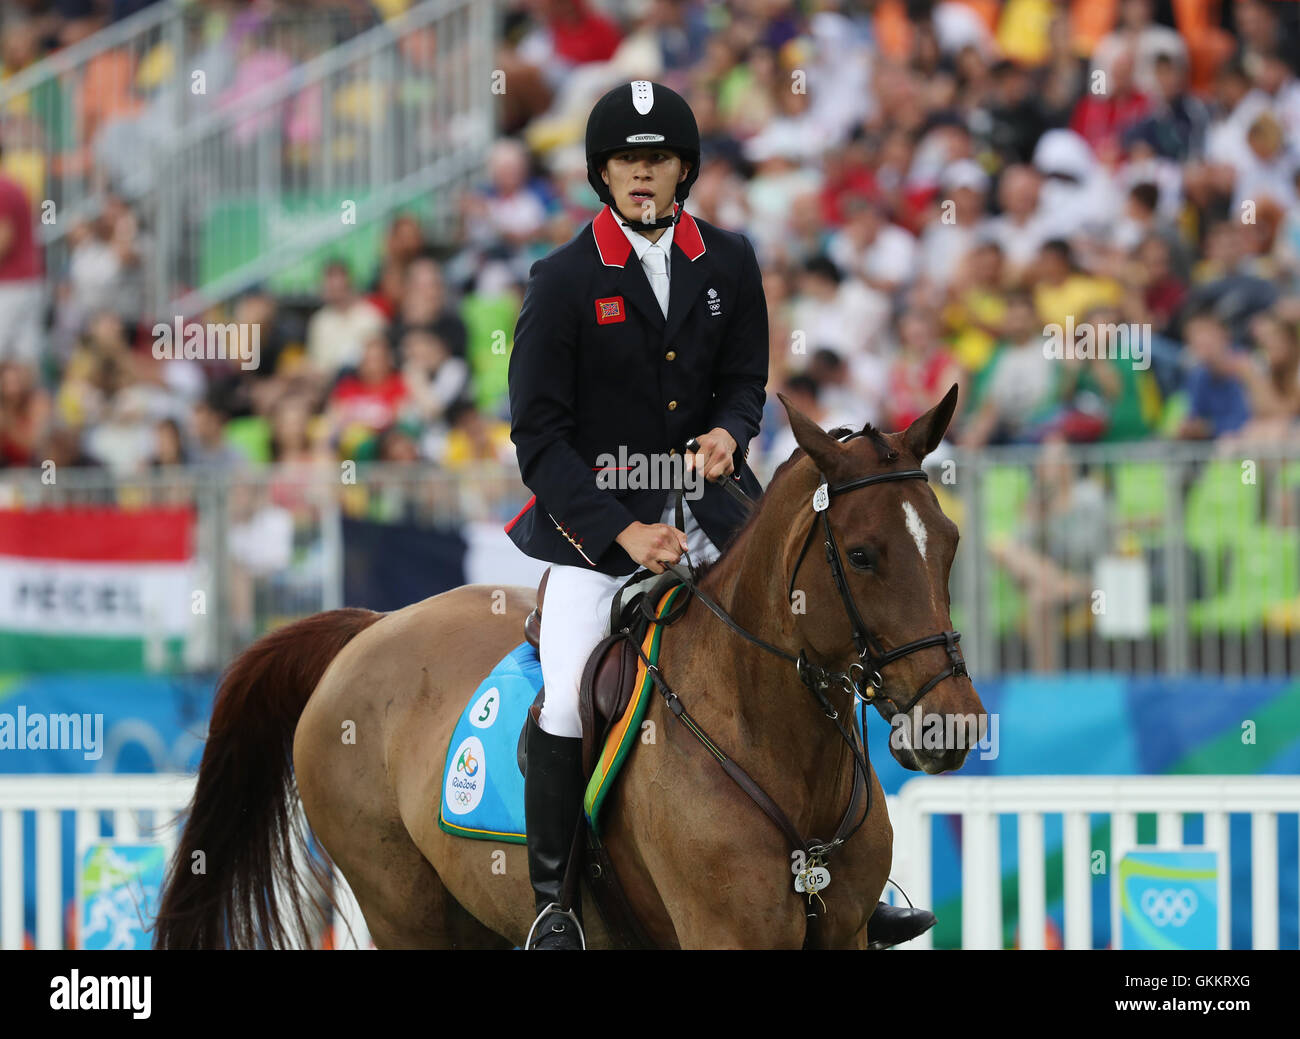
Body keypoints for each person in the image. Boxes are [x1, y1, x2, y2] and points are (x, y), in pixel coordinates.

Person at [507, 80, 934, 951]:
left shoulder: (728, 260)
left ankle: (856, 867)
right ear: (602, 171)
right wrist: (620, 532)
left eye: (657, 158)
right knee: (565, 691)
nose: (641, 173)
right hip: (595, 527)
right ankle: (555, 899)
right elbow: (539, 438)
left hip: (716, 504)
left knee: (815, 641)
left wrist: (730, 430)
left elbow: (746, 379)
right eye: (626, 159)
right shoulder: (562, 280)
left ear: (684, 169)